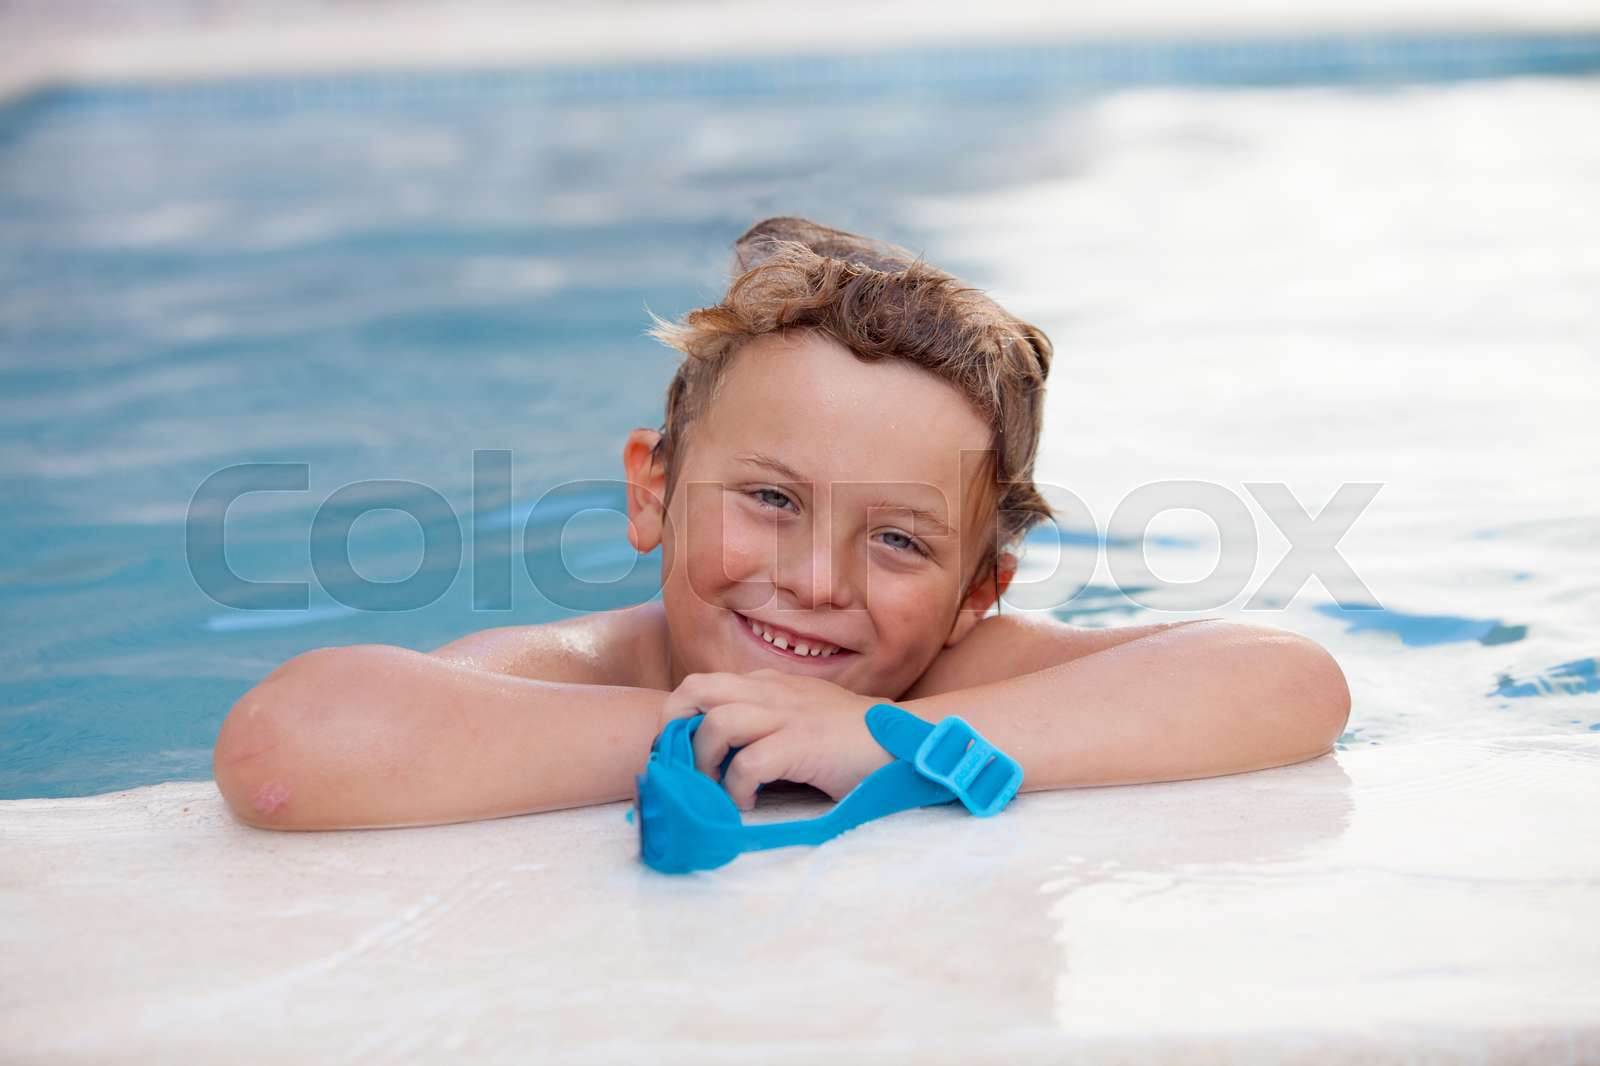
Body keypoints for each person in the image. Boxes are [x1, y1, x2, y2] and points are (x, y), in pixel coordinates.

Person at [212, 216, 1350, 831]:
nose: (815, 581)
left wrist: (884, 739)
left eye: (899, 540)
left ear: (976, 595)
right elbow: (284, 749)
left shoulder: (956, 676)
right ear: (653, 493)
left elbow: (1288, 681)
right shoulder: (580, 674)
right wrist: (724, 732)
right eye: (771, 500)